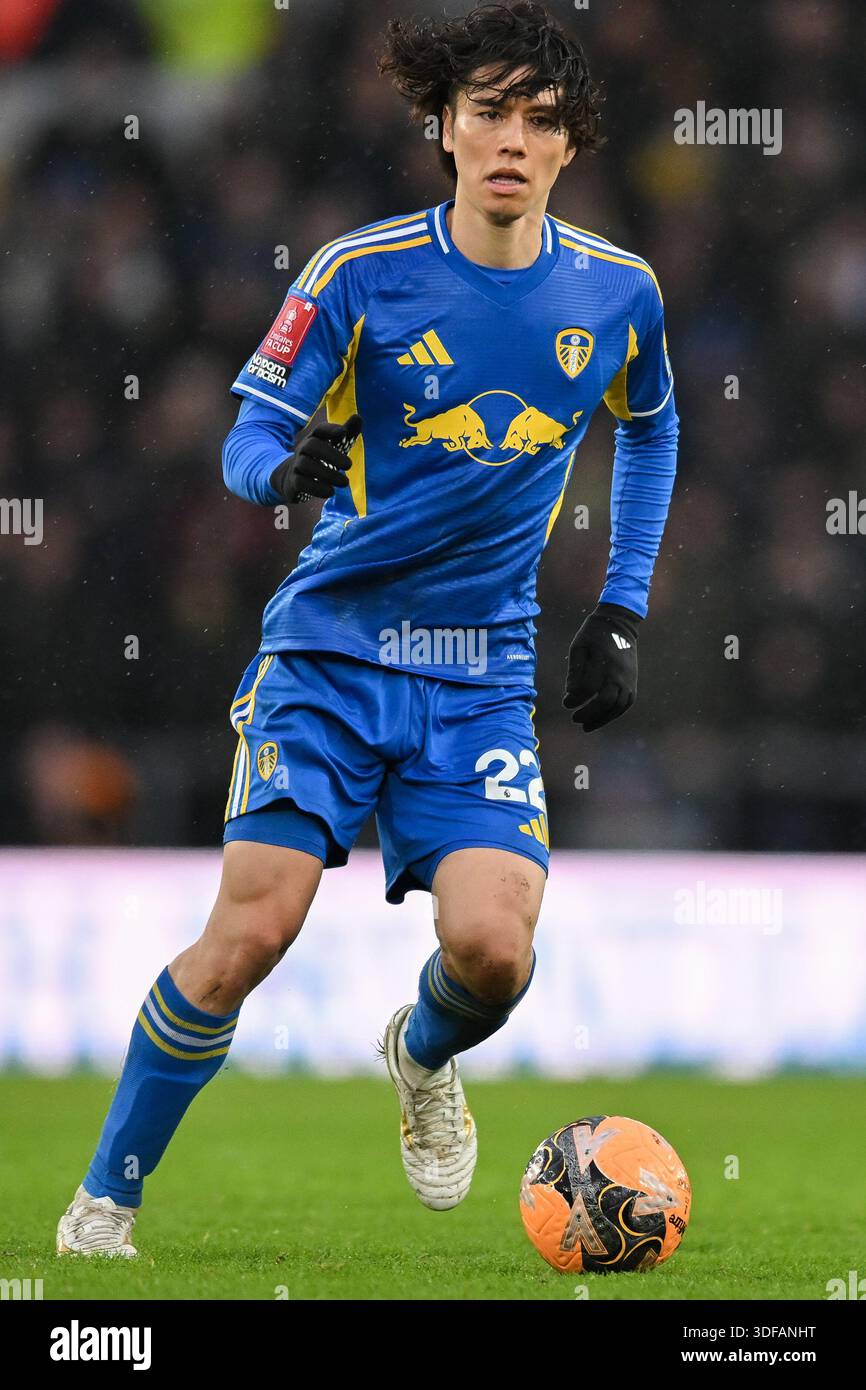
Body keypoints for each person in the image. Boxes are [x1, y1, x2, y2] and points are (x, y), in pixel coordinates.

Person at [57, 0, 677, 1257]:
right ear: (442, 128)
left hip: (479, 679)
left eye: (540, 121)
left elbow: (654, 426)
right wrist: (279, 474)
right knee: (253, 931)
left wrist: (619, 605)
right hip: (330, 657)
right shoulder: (358, 273)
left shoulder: (618, 293)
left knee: (495, 952)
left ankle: (420, 1049)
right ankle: (103, 1202)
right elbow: (244, 433)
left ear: (570, 147)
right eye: (488, 113)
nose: (512, 139)